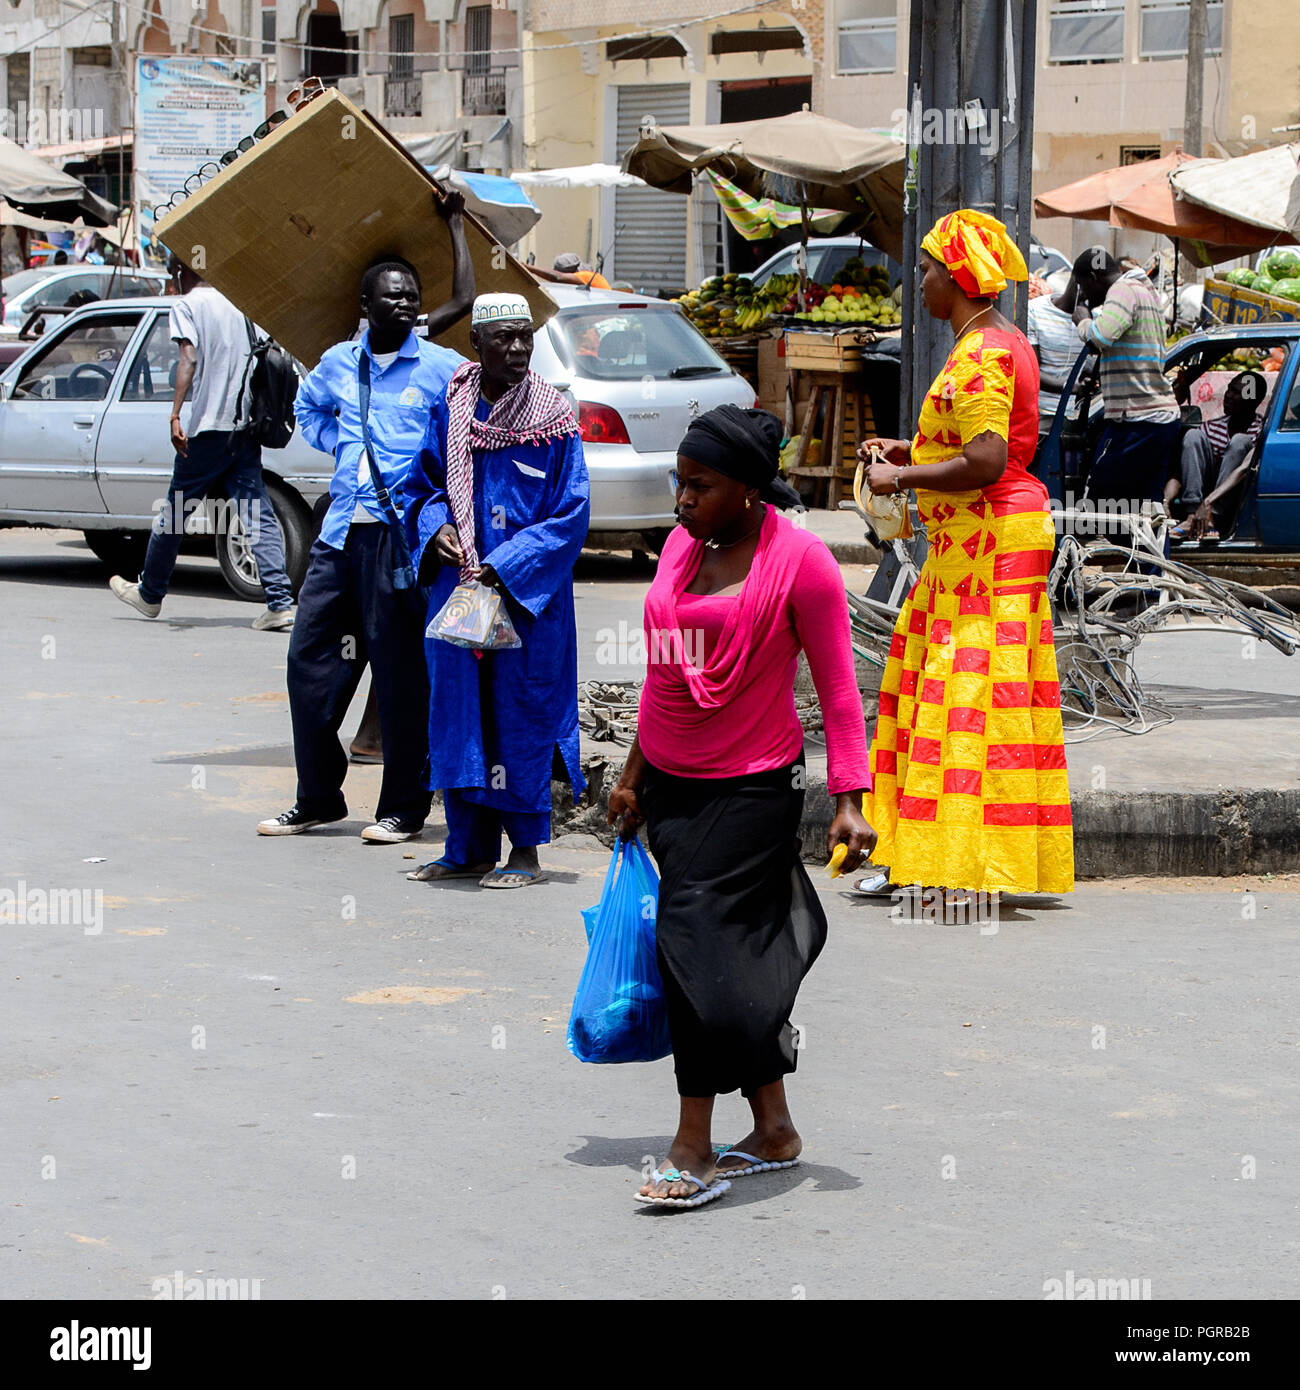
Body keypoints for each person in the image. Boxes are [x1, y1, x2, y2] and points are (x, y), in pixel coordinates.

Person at [605, 405, 874, 1209]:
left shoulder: (803, 565)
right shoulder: (682, 552)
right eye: (677, 483)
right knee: (722, 962)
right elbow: (663, 673)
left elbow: (838, 688)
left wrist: (850, 800)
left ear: (750, 490)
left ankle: (692, 1147)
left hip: (754, 786)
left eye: (701, 485)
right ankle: (775, 1128)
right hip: (672, 788)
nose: (682, 500)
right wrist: (630, 775)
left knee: (692, 958)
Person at [858, 209, 1075, 903]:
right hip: (974, 547)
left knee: (967, 702)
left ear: (956, 277)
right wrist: (910, 451)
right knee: (961, 699)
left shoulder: (982, 352)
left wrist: (904, 478)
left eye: (925, 271)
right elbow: (988, 445)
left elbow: (985, 460)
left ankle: (957, 863)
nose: (917, 283)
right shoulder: (994, 339)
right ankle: (937, 856)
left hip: (989, 548)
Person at [257, 191, 474, 841]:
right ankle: (318, 795)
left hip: (399, 539)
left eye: (413, 295)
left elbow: (463, 436)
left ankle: (404, 807)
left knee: (401, 675)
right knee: (309, 661)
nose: (407, 302)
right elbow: (310, 412)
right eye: (394, 295)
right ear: (365, 307)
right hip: (336, 535)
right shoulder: (337, 363)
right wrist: (342, 449)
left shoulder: (440, 367)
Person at [404, 292, 589, 888]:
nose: (516, 349)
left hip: (528, 600)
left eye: (525, 338)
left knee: (521, 717)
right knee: (461, 715)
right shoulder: (452, 405)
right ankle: (467, 848)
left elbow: (571, 513)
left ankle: (526, 854)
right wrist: (438, 531)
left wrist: (507, 564)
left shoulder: (553, 419)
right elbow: (423, 484)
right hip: (460, 592)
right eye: (503, 339)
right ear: (475, 345)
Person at [110, 258, 296, 629]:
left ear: (182, 271)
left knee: (176, 511)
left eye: (170, 275)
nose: (170, 282)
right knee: (256, 511)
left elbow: (188, 359)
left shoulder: (188, 304)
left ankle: (150, 594)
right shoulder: (243, 306)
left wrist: (175, 414)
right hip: (242, 426)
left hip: (207, 428)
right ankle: (279, 602)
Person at [1064, 247, 1181, 513]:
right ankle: (1148, 555)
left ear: (1094, 278)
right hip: (1160, 420)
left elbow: (1102, 336)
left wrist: (1083, 321)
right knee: (1146, 509)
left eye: (1082, 286)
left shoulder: (1122, 289)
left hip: (1138, 420)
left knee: (1099, 501)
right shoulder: (1143, 289)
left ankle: (1113, 552)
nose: (1083, 295)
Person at [1169, 369, 1267, 542]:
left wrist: (1208, 504)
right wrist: (1164, 501)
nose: (1228, 396)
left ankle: (1212, 518)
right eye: (1230, 389)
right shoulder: (1211, 428)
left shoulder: (1261, 431)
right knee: (1192, 435)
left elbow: (1244, 470)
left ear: (1253, 401)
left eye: (1237, 393)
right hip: (1201, 499)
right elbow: (1181, 472)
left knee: (1239, 442)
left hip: (1232, 501)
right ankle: (1192, 517)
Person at [1025, 274, 1077, 435]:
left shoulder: (1091, 319)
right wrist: (1072, 387)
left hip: (1073, 416)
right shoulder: (1035, 310)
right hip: (1041, 415)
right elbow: (1032, 372)